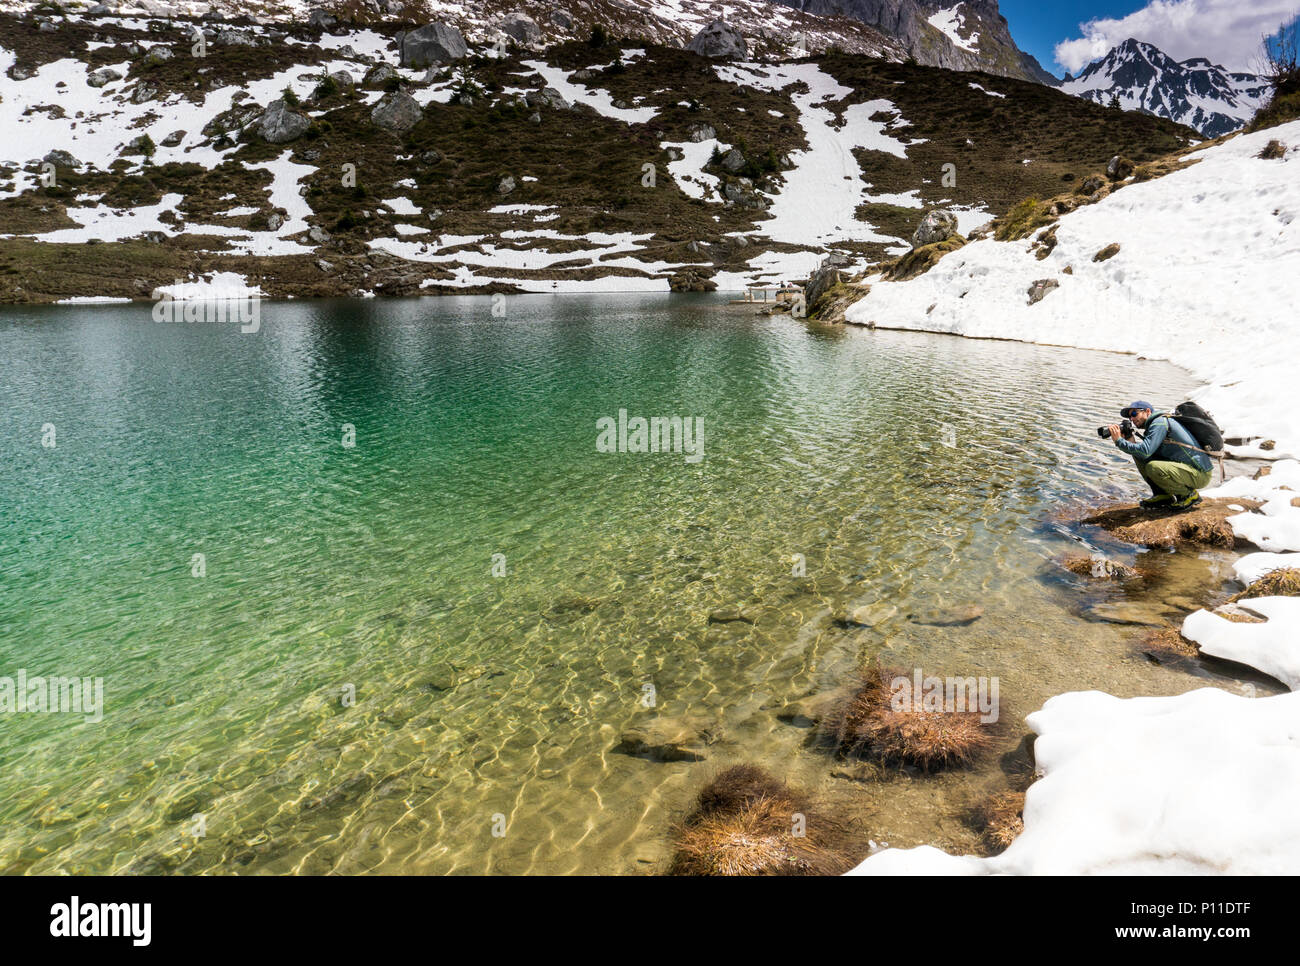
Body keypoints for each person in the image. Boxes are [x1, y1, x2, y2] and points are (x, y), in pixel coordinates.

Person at [1109, 400, 1213, 510]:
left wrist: (1119, 441)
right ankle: (1162, 495)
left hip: (1200, 473)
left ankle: (1189, 496)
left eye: (1134, 414)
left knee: (1153, 467)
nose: (1132, 419)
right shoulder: (1155, 424)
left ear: (1147, 411)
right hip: (1186, 470)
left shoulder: (1159, 422)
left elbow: (1145, 451)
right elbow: (1143, 454)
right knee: (1140, 457)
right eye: (1130, 417)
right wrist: (1129, 439)